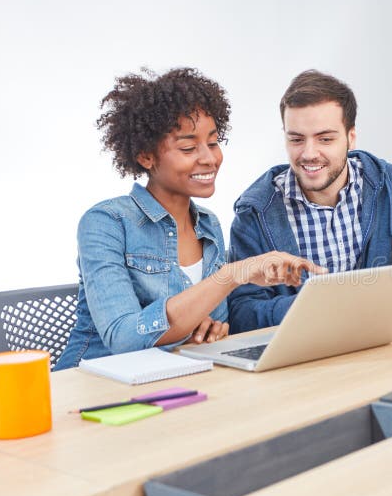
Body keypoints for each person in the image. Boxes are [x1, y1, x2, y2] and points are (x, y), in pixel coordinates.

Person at [55, 68, 323, 370]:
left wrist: (210, 331)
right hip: (91, 386)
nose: (209, 158)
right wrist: (231, 276)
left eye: (213, 142)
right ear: (146, 156)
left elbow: (212, 325)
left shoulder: (208, 225)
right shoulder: (106, 222)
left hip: (173, 378)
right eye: (188, 148)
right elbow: (124, 337)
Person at [227, 69, 392, 333]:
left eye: (325, 139)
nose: (309, 153)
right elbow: (242, 312)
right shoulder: (256, 211)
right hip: (304, 357)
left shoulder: (388, 183)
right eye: (296, 139)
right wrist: (324, 308)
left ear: (350, 138)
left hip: (383, 348)